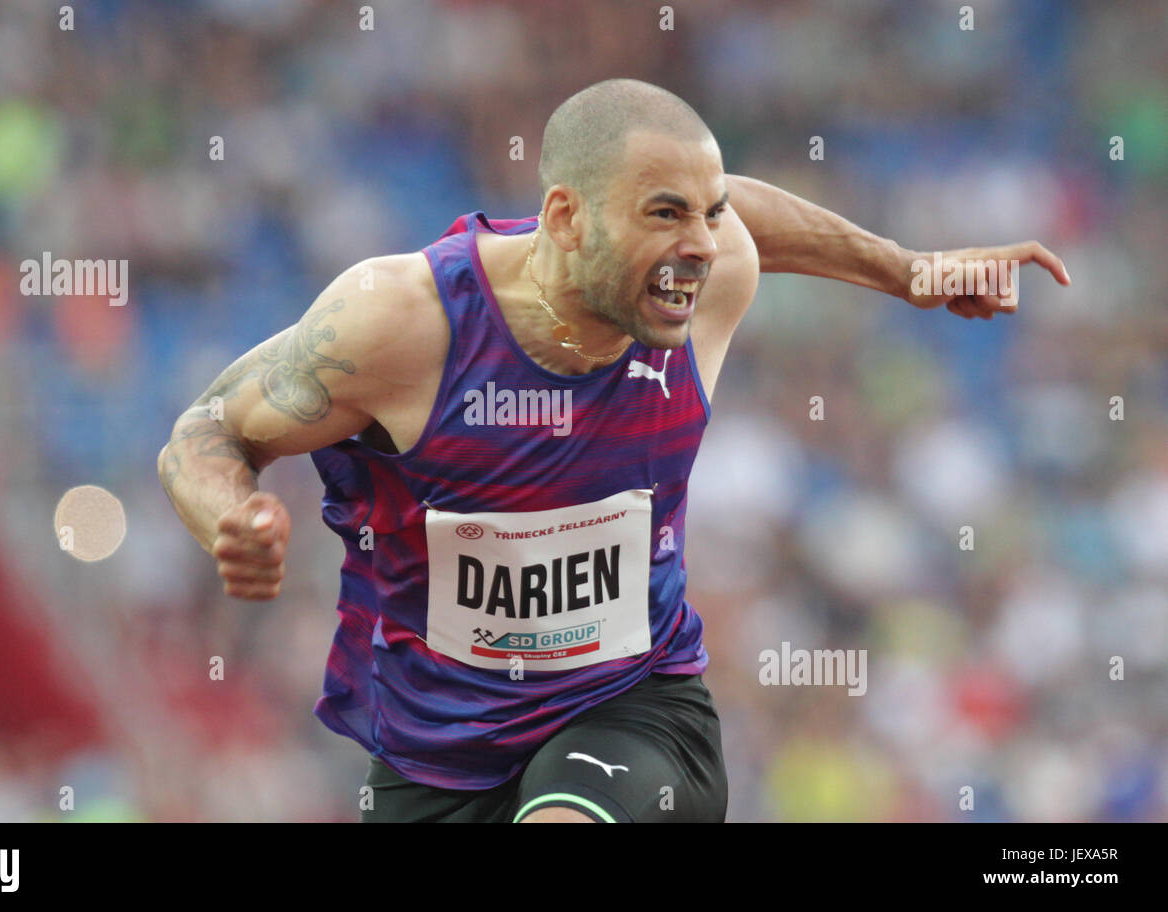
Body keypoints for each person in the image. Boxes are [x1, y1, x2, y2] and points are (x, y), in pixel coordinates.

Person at [158, 79, 1070, 822]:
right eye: (665, 214)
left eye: (707, 216)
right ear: (565, 216)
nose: (702, 248)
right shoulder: (404, 324)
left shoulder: (707, 281)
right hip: (437, 757)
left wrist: (907, 272)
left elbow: (745, 217)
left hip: (637, 715)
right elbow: (208, 430)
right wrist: (228, 516)